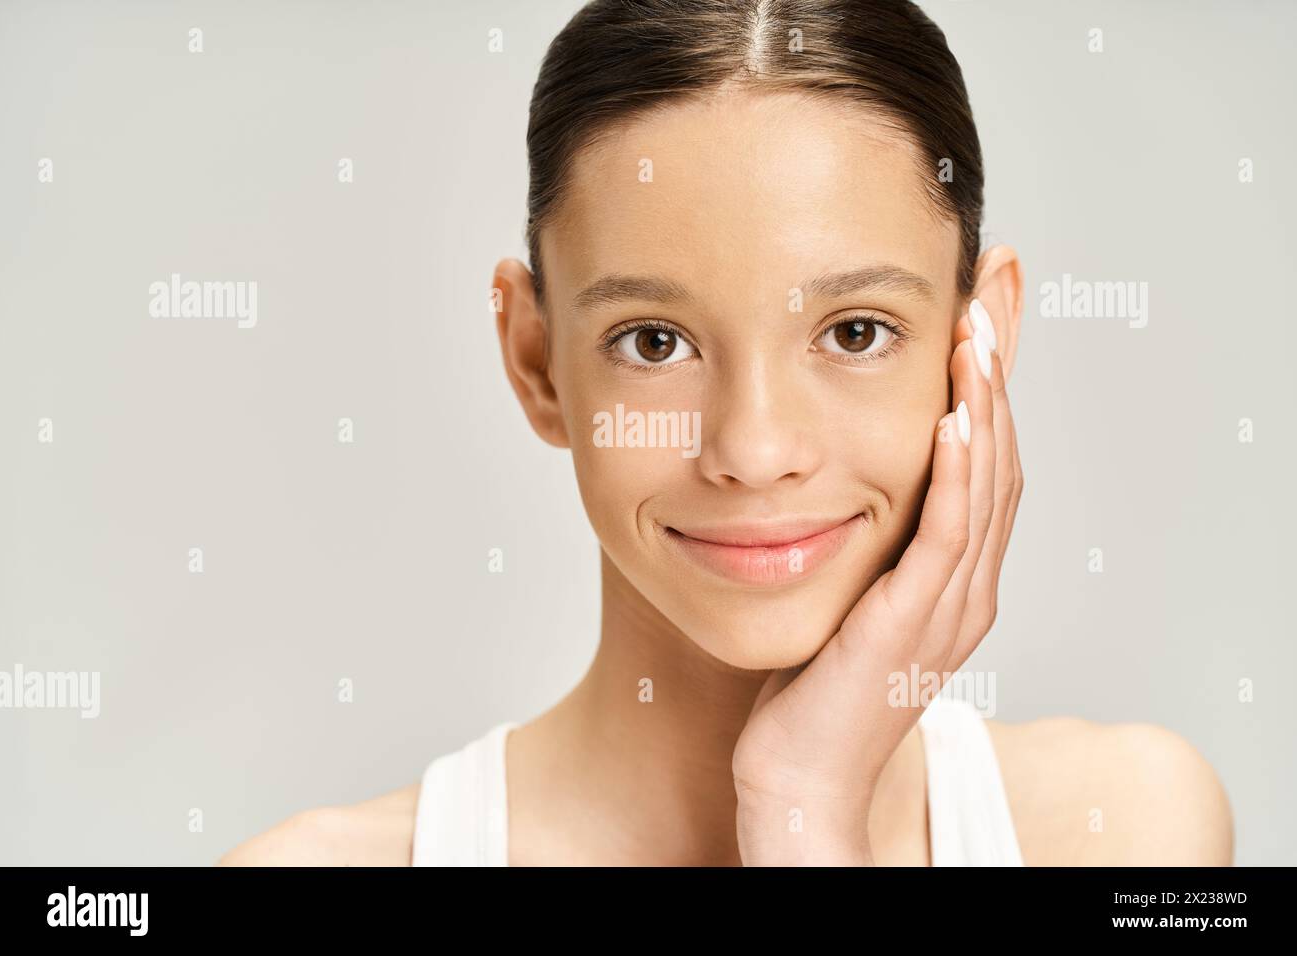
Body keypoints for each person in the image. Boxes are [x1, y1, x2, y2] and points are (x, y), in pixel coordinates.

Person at [221, 0, 1232, 866]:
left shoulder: (1131, 830)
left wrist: (806, 810)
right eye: (653, 340)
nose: (750, 448)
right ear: (536, 358)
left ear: (981, 339)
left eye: (853, 331)